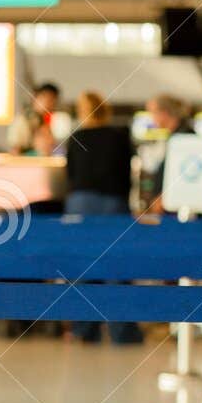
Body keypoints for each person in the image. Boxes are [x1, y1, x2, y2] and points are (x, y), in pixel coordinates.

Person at [63, 90, 140, 345]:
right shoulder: (119, 136)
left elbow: (70, 175)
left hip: (80, 203)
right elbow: (127, 174)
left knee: (83, 266)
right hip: (112, 202)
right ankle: (122, 332)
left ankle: (84, 330)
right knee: (116, 266)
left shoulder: (76, 137)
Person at [141, 93, 193, 212]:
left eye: (153, 113)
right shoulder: (176, 136)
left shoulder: (184, 138)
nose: (152, 118)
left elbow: (182, 173)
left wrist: (162, 196)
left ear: (164, 113)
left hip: (176, 205)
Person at [7, 82, 60, 156]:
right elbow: (15, 151)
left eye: (53, 101)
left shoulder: (47, 120)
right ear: (36, 98)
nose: (50, 104)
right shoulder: (22, 120)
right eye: (47, 99)